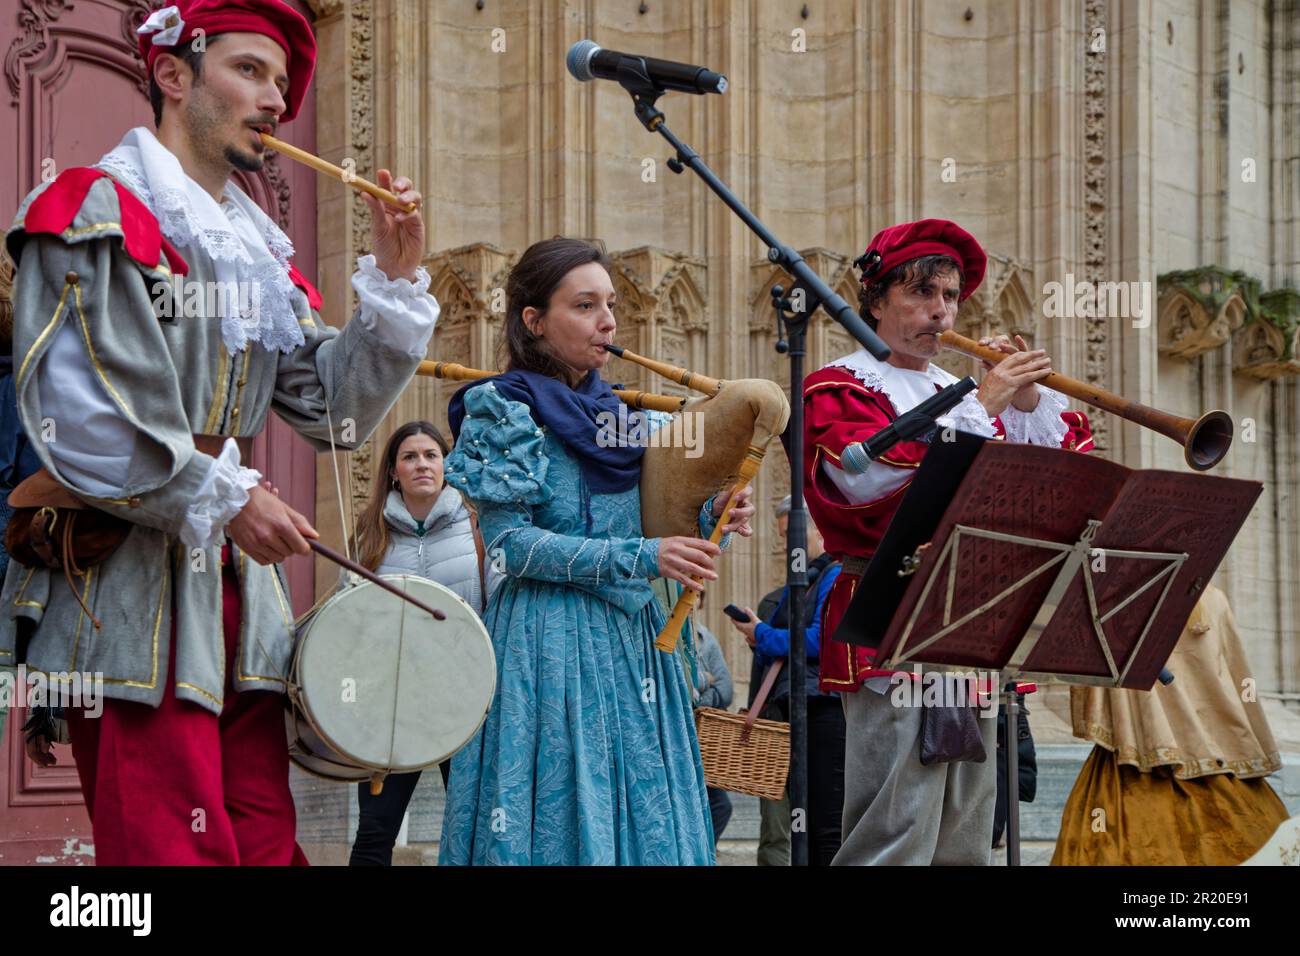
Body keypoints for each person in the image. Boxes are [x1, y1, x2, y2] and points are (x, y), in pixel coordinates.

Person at [1, 0, 438, 865]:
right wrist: (224, 494)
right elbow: (82, 422)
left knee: (267, 844)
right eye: (248, 70)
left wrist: (392, 283)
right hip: (127, 593)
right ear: (172, 74)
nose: (276, 98)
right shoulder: (93, 207)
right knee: (170, 853)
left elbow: (334, 413)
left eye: (281, 81)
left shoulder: (254, 251)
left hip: (241, 609)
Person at [436, 237, 754, 865]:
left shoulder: (627, 415)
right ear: (533, 320)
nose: (607, 320)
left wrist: (712, 512)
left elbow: (653, 515)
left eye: (609, 304)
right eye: (584, 305)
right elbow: (508, 543)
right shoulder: (503, 407)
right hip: (546, 642)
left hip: (636, 645)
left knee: (644, 816)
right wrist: (642, 556)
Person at [802, 218, 1093, 865]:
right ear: (875, 300)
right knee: (895, 831)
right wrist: (984, 402)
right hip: (891, 618)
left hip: (968, 623)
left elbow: (1047, 488)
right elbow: (877, 486)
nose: (941, 310)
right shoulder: (838, 385)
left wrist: (1026, 405)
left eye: (951, 296)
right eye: (922, 293)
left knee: (965, 835)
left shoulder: (953, 392)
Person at [346, 420, 501, 866]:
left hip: (466, 704)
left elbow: (499, 612)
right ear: (394, 471)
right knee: (374, 833)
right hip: (394, 706)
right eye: (410, 457)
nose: (422, 465)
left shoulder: (478, 528)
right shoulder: (370, 535)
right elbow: (348, 618)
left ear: (446, 464)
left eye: (431, 455)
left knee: (477, 834)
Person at [1052, 583, 1289, 865]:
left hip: (1138, 762)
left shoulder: (1113, 600)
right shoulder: (1213, 598)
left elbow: (1088, 675)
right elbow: (1234, 683)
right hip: (1215, 759)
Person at [729, 494, 844, 866]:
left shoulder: (835, 573)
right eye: (782, 538)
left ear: (818, 530)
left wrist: (762, 634)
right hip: (792, 708)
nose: (787, 547)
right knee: (794, 822)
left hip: (822, 708)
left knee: (825, 821)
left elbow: (817, 640)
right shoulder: (803, 581)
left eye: (791, 536)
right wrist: (758, 636)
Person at [690, 591, 734, 847]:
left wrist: (697, 701)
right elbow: (675, 683)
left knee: (720, 806)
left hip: (704, 738)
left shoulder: (707, 640)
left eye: (698, 595)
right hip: (674, 737)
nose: (693, 599)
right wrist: (704, 680)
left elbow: (726, 689)